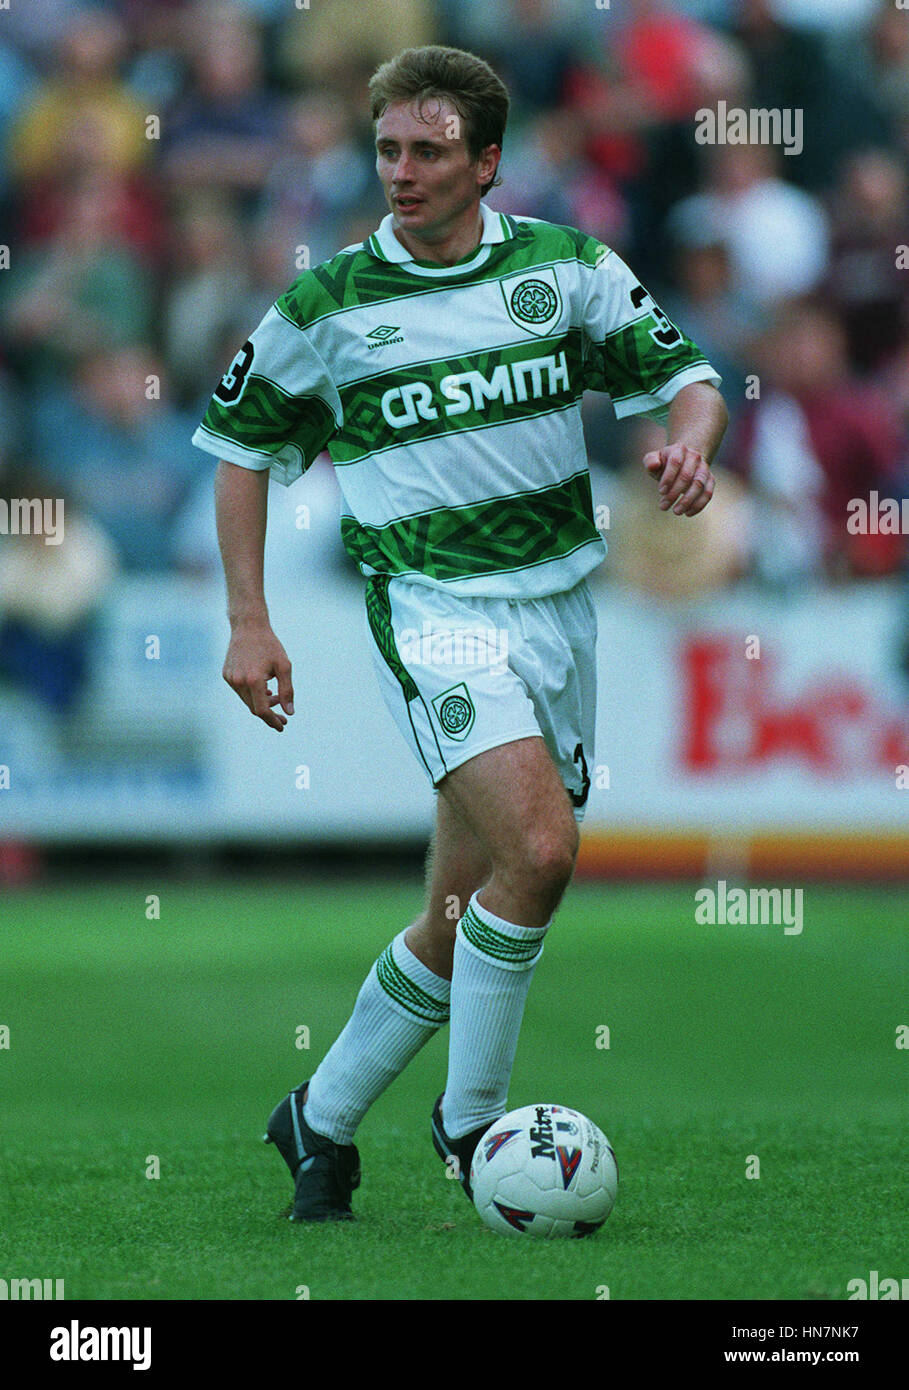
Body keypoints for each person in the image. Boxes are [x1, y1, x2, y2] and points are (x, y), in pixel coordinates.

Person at [192, 45, 727, 1222]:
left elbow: (691, 374)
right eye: (386, 148)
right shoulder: (326, 303)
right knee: (539, 852)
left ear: (488, 162)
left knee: (460, 908)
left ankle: (320, 1121)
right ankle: (473, 1120)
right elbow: (237, 448)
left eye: (428, 150)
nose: (401, 171)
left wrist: (692, 441)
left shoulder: (563, 268)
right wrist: (248, 618)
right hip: (434, 613)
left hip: (559, 610)